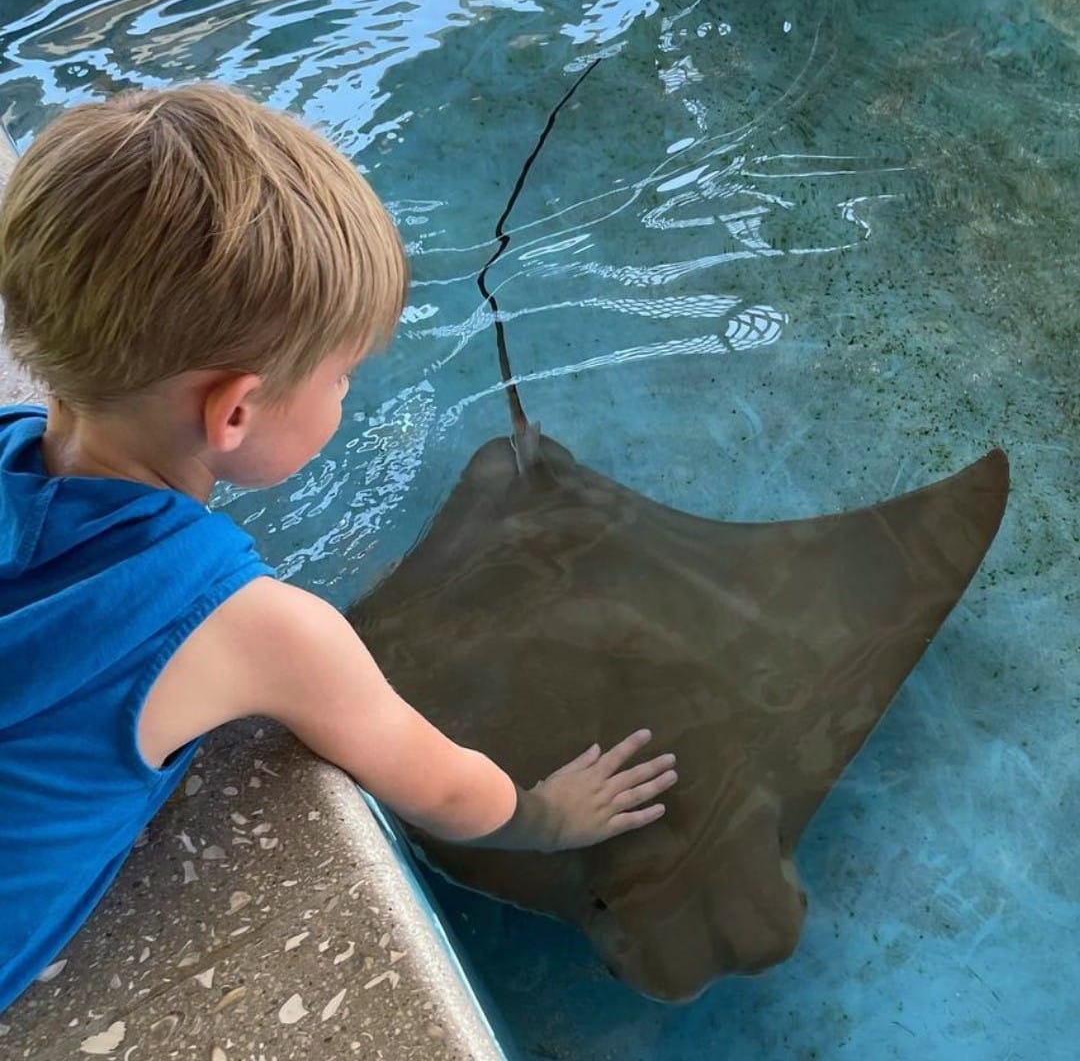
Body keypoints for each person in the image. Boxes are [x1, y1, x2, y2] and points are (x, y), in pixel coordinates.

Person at [0, 83, 677, 1012]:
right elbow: (443, 787)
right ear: (233, 411)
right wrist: (547, 818)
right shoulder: (255, 628)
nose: (348, 397)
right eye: (345, 377)